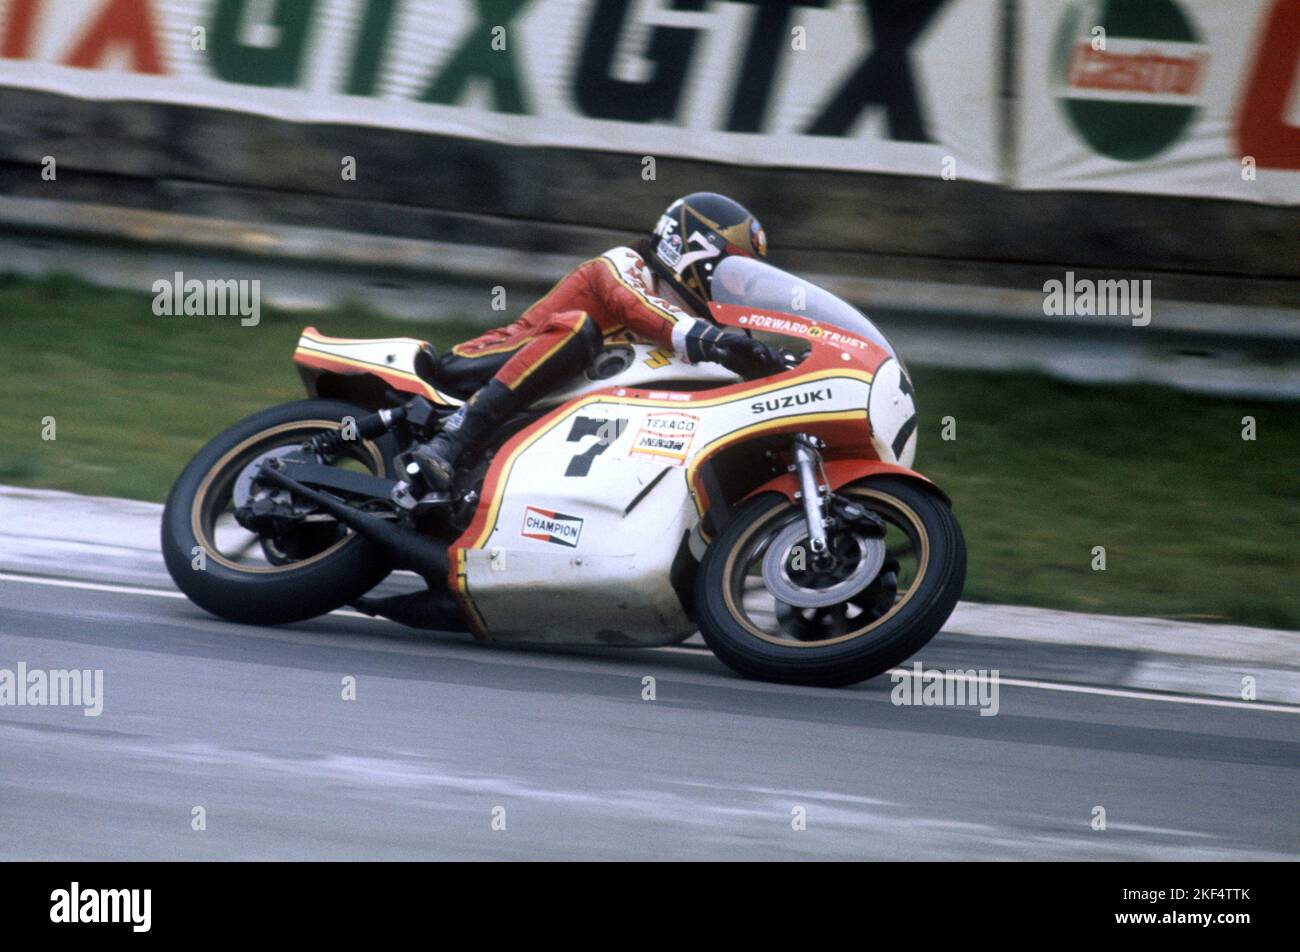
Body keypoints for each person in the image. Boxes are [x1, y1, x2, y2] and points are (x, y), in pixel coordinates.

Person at [399, 192, 782, 498]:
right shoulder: (624, 263)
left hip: (558, 413)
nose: (738, 288)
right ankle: (452, 439)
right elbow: (637, 307)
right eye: (734, 272)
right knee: (579, 331)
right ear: (693, 249)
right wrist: (714, 341)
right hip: (488, 357)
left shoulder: (694, 334)